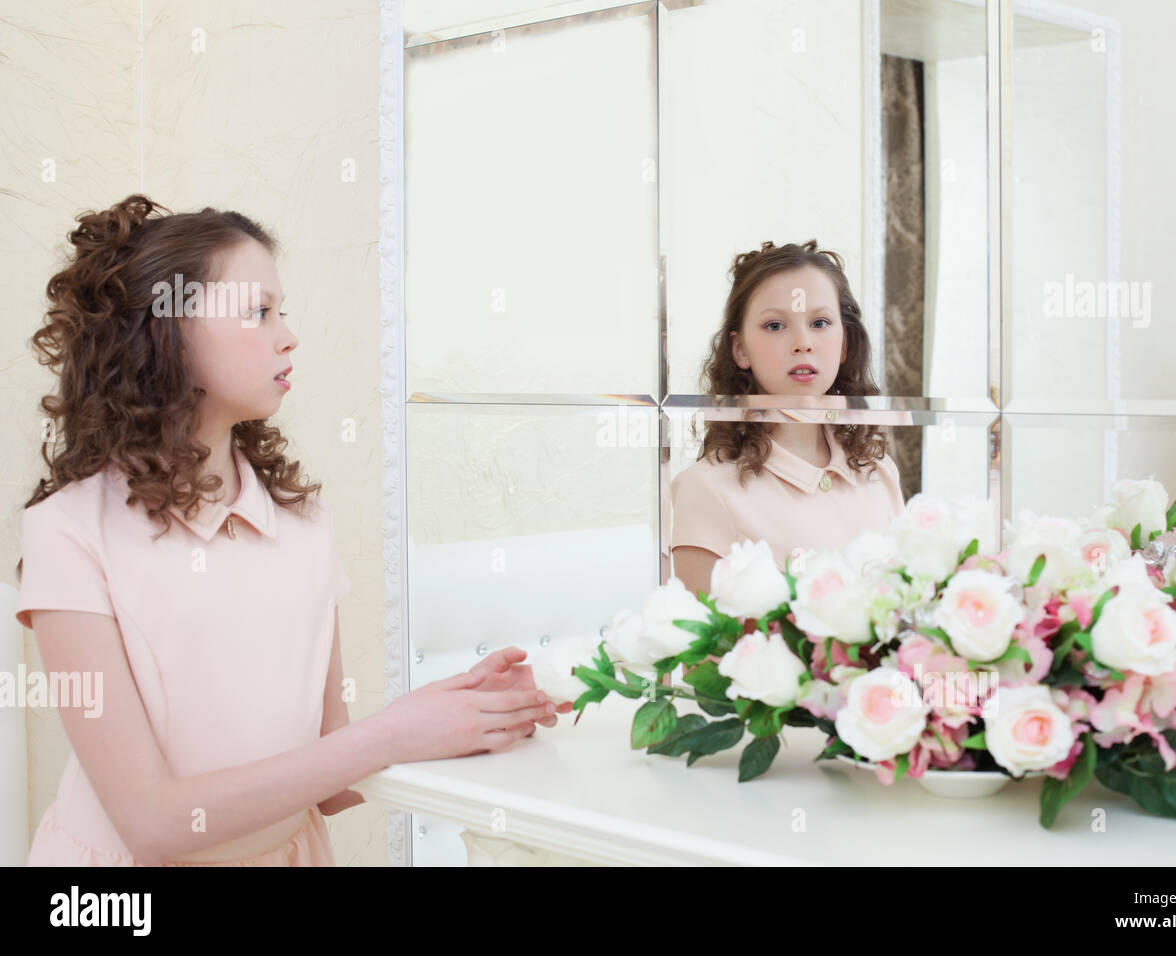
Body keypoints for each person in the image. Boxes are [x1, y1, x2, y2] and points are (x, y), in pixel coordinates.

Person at [13, 194, 568, 866]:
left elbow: (330, 781)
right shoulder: (68, 532)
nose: (287, 335)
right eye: (257, 312)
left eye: (283, 311)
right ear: (167, 330)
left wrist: (453, 720)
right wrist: (390, 735)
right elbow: (152, 822)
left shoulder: (302, 521)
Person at [669, 239, 906, 600]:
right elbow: (703, 653)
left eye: (820, 322)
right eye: (776, 325)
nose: (802, 343)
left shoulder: (880, 472)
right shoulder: (705, 489)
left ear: (844, 345)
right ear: (740, 349)